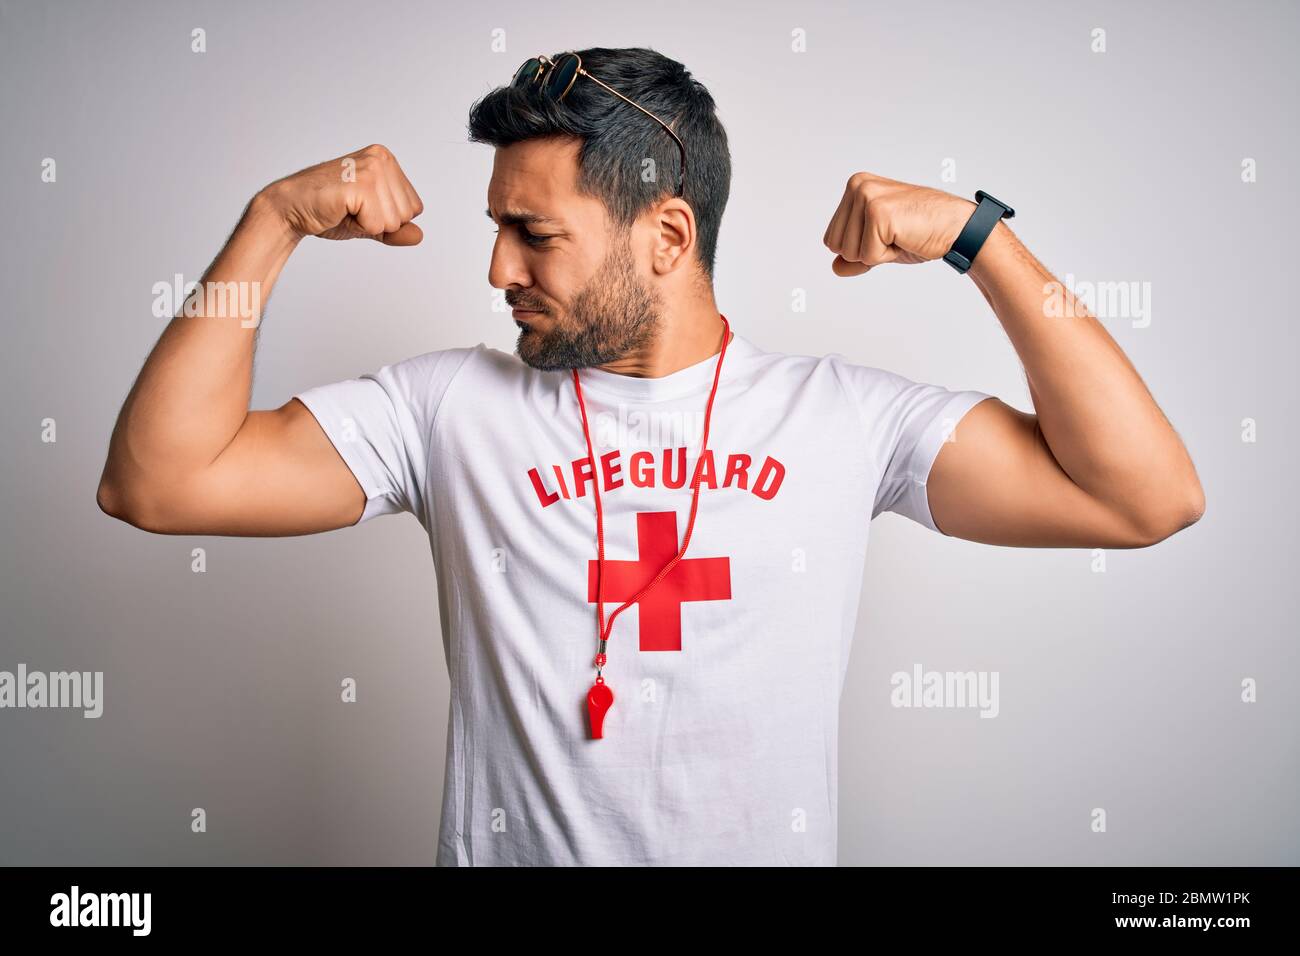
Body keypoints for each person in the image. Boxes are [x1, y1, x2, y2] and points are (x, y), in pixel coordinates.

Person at [95, 47, 1204, 865]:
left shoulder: (839, 419)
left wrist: (982, 237)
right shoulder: (443, 409)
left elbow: (1144, 496)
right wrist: (271, 219)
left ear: (666, 235)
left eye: (534, 232)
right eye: (496, 226)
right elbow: (157, 481)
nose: (495, 269)